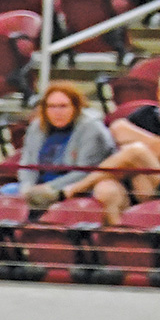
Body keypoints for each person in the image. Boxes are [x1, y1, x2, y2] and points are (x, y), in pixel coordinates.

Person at [38, 92, 160, 223]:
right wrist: (152, 146)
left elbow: (134, 148)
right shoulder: (147, 113)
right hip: (137, 183)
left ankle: (72, 190)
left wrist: (140, 149)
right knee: (105, 189)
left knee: (135, 151)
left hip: (155, 186)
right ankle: (117, 232)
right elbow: (117, 129)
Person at [16, 82, 115, 210]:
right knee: (6, 194)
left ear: (76, 107)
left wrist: (48, 188)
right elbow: (27, 164)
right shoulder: (36, 127)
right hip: (36, 187)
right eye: (51, 106)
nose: (57, 112)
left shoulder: (92, 128)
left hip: (73, 189)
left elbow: (85, 172)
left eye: (63, 106)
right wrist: (27, 188)